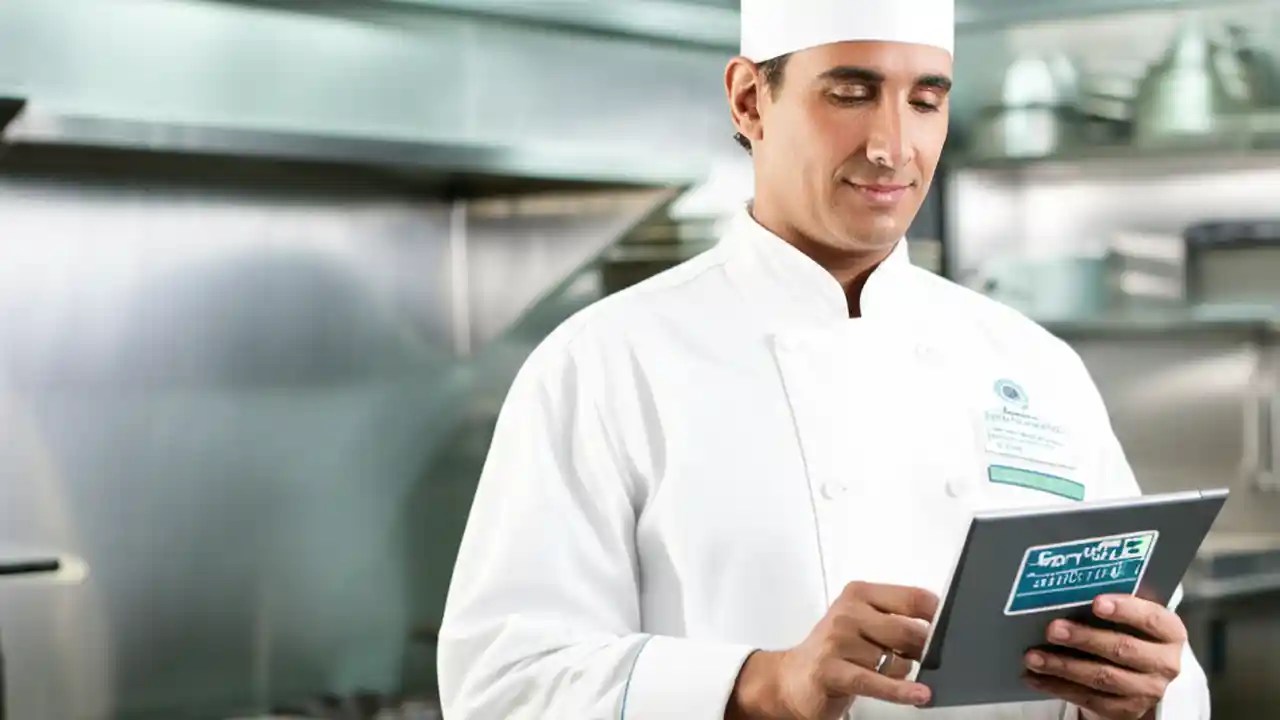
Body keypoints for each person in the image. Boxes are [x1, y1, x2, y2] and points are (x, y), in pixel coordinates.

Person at [437, 1, 1212, 718]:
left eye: (926, 100)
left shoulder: (1033, 362)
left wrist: (1144, 696)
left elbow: (1159, 657)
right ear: (749, 100)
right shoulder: (606, 361)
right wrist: (761, 683)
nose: (892, 146)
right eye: (850, 92)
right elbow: (502, 685)